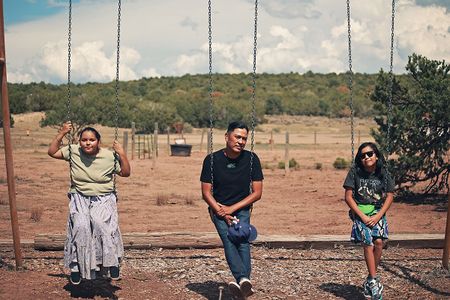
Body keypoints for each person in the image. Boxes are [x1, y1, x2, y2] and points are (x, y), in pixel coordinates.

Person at [48, 122, 131, 285]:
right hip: (79, 196)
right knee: (80, 226)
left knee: (101, 224)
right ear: (79, 141)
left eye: (91, 140)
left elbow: (126, 173)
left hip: (104, 197)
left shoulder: (108, 155)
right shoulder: (73, 151)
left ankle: (111, 262)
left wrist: (122, 154)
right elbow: (52, 152)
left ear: (98, 141)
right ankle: (76, 267)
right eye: (84, 140)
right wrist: (62, 133)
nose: (87, 143)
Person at [200, 121, 264, 299]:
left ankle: (243, 283)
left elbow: (257, 193)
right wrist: (221, 211)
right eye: (237, 137)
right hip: (218, 208)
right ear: (227, 136)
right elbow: (206, 192)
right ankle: (243, 280)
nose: (241, 141)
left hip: (241, 208)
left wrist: (232, 209)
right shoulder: (212, 160)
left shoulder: (252, 159)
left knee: (242, 241)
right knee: (229, 240)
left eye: (244, 138)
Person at [343, 142, 394, 300]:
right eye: (362, 155)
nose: (366, 157)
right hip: (360, 213)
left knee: (379, 242)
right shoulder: (355, 173)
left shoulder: (383, 173)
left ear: (376, 155)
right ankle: (373, 281)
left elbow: (390, 196)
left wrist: (378, 216)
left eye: (369, 154)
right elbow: (348, 197)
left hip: (378, 212)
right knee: (368, 243)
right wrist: (362, 216)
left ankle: (371, 278)